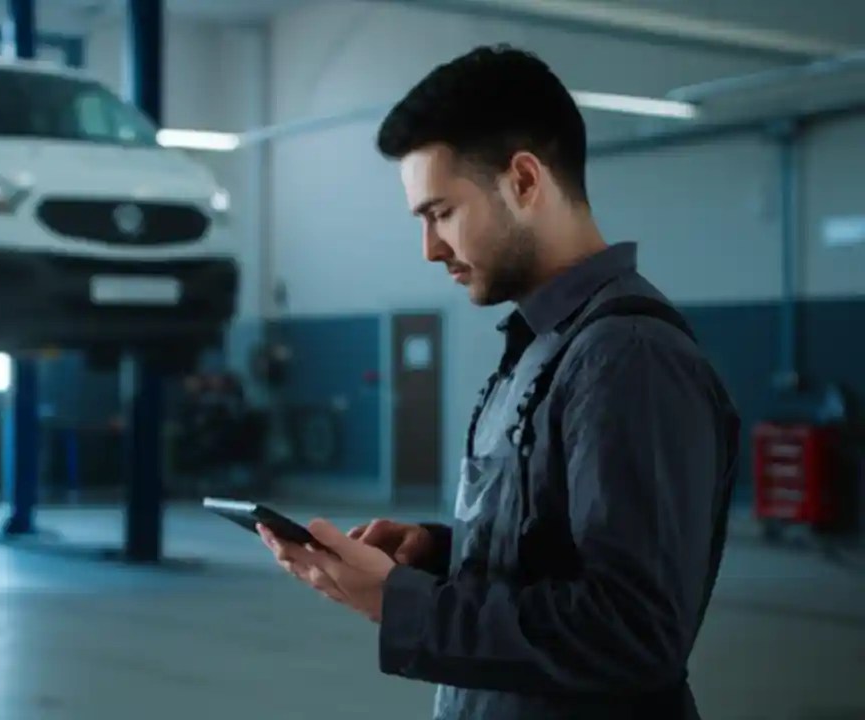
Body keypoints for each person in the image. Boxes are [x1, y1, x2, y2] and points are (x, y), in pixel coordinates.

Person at [258, 44, 740, 720]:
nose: (429, 248)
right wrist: (438, 557)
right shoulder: (545, 343)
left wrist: (400, 604)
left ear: (523, 180)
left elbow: (635, 633)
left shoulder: (628, 356)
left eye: (442, 212)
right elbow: (563, 558)